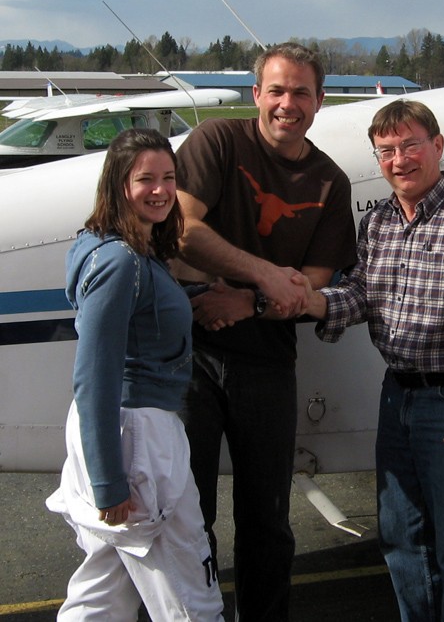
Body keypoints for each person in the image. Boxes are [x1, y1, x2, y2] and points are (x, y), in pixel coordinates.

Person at [296, 99, 444, 621]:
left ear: (438, 147)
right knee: (401, 538)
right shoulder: (378, 221)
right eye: (386, 151)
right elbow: (361, 294)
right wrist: (309, 300)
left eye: (410, 145)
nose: (399, 159)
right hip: (398, 393)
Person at [172, 42, 356, 620]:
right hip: (190, 356)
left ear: (319, 101)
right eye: (276, 90)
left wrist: (246, 300)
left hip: (267, 363)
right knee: (186, 514)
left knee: (268, 520)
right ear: (257, 94)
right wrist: (263, 275)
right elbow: (182, 231)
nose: (287, 103)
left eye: (301, 92)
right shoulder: (217, 141)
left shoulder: (331, 182)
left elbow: (315, 287)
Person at [45, 128, 224, 620]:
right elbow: (94, 374)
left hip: (131, 429)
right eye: (146, 179)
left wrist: (196, 299)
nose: (161, 190)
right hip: (138, 436)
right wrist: (108, 482)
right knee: (190, 591)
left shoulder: (109, 246)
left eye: (169, 178)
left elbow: (138, 319)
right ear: (119, 184)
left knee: (103, 595)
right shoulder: (122, 261)